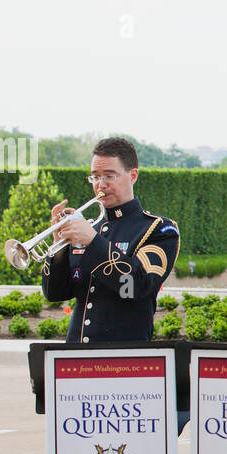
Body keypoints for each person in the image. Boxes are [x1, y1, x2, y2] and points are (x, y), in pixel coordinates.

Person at [42, 136, 180, 343]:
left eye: (109, 176)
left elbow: (136, 287)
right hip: (75, 355)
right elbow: (55, 293)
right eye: (95, 177)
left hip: (124, 358)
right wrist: (58, 247)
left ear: (132, 175)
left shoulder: (159, 229)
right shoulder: (90, 227)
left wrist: (92, 241)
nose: (100, 185)